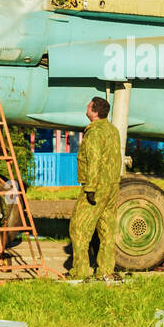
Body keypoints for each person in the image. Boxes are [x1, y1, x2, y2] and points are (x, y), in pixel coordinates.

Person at [68, 96, 122, 283]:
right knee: (107, 230)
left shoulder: (94, 133)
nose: (86, 106)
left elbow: (94, 160)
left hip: (96, 187)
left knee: (79, 229)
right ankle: (106, 271)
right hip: (112, 187)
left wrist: (90, 188)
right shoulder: (113, 130)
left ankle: (81, 271)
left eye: (89, 105)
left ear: (95, 111)